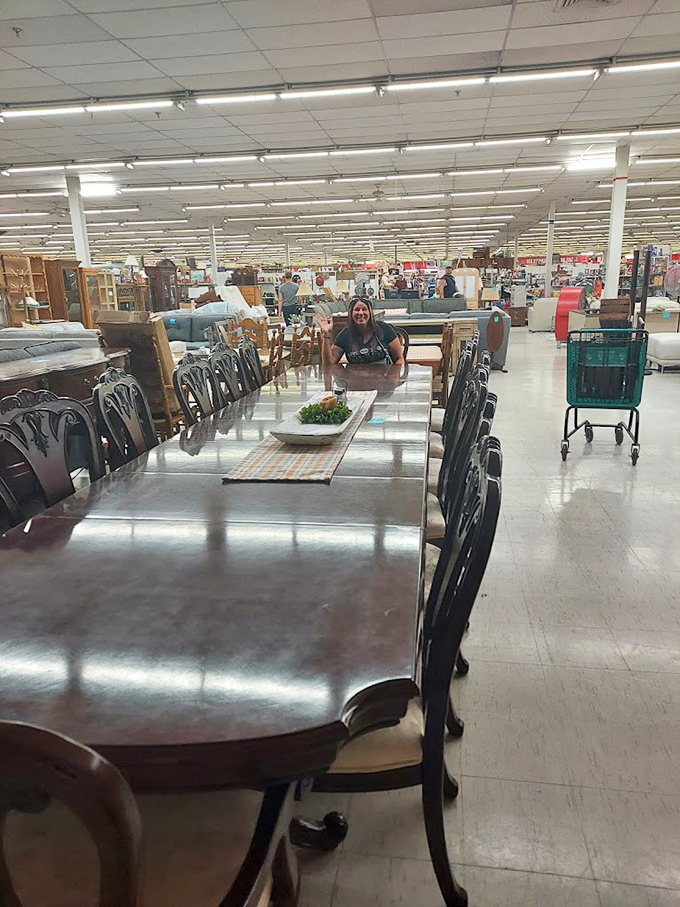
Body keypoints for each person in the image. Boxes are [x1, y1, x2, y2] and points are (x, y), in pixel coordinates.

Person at [318, 297, 404, 366]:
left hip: (383, 381)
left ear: (370, 312)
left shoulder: (384, 329)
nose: (361, 313)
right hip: (356, 381)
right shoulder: (345, 335)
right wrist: (326, 335)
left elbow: (399, 359)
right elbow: (329, 364)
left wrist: (393, 378)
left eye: (364, 309)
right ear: (351, 313)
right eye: (357, 309)